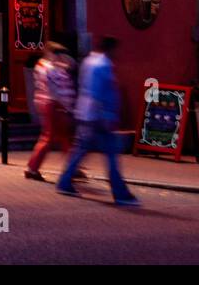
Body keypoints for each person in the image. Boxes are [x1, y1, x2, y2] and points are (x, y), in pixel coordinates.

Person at [57, 36, 140, 207]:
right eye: (116, 50)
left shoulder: (88, 61)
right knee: (111, 154)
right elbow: (98, 92)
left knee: (81, 149)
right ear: (110, 49)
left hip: (85, 113)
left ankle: (65, 182)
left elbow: (85, 87)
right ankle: (120, 193)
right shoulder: (103, 65)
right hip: (99, 116)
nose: (118, 54)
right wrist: (105, 115)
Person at [24, 42, 76, 181]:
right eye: (59, 54)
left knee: (65, 136)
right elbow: (55, 89)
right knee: (50, 136)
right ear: (53, 54)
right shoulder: (50, 68)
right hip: (54, 105)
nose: (62, 57)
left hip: (51, 104)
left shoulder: (44, 65)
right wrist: (65, 106)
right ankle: (33, 168)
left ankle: (73, 166)